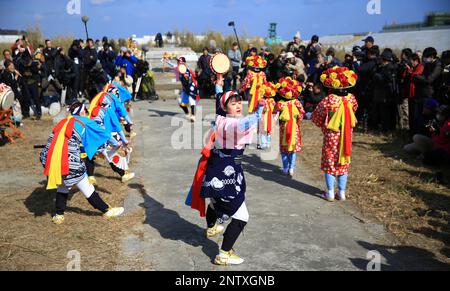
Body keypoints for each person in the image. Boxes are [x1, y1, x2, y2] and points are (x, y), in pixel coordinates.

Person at [186, 76, 265, 266]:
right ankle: (224, 254)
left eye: (239, 102)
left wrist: (219, 80)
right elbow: (243, 125)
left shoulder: (220, 117)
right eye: (232, 103)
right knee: (242, 217)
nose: (238, 105)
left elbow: (219, 97)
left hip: (216, 173)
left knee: (215, 201)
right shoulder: (229, 123)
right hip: (225, 176)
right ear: (225, 107)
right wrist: (258, 112)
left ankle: (212, 227)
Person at [39, 102, 125, 225]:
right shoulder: (84, 121)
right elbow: (104, 134)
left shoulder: (63, 122)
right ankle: (106, 210)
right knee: (86, 186)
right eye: (85, 110)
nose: (86, 112)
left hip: (52, 160)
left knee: (63, 186)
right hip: (69, 162)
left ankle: (59, 215)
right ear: (81, 112)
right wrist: (117, 144)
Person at [312, 66, 358, 202]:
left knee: (330, 162)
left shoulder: (329, 100)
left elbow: (318, 115)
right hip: (347, 135)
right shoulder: (351, 99)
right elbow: (354, 110)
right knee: (343, 161)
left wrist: (324, 125)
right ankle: (342, 193)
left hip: (332, 135)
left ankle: (330, 192)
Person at [274, 77, 305, 176]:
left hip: (283, 128)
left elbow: (274, 112)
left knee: (284, 148)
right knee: (293, 148)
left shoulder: (280, 104)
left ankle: (285, 168)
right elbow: (302, 113)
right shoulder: (297, 102)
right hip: (294, 128)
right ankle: (291, 168)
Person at [257, 82, 277, 150]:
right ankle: (267, 143)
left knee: (264, 130)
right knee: (268, 130)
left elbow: (259, 109)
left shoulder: (262, 101)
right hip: (269, 117)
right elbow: (275, 110)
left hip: (265, 117)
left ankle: (264, 143)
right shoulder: (272, 101)